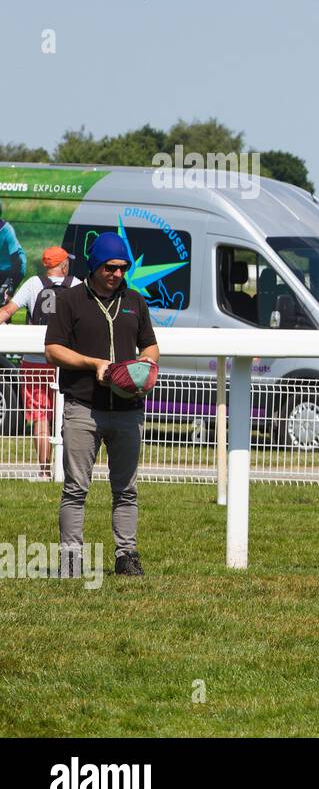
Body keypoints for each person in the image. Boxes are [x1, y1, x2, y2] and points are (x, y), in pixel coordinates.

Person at [43, 233, 159, 576]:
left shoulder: (135, 301)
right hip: (83, 407)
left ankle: (127, 556)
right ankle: (71, 559)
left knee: (126, 489)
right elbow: (52, 350)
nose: (117, 274)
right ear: (95, 265)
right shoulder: (71, 301)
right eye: (110, 267)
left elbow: (150, 346)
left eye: (123, 267)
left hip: (128, 410)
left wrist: (146, 368)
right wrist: (93, 364)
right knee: (76, 488)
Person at [0, 246, 82, 480]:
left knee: (40, 418)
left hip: (35, 362)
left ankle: (44, 471)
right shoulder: (76, 285)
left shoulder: (33, 284)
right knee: (67, 417)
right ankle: (70, 472)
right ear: (64, 265)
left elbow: (7, 311)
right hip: (65, 361)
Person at [0, 200, 27, 303]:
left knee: (3, 300)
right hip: (1, 266)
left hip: (16, 267)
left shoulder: (7, 230)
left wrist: (8, 282)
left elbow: (17, 261)